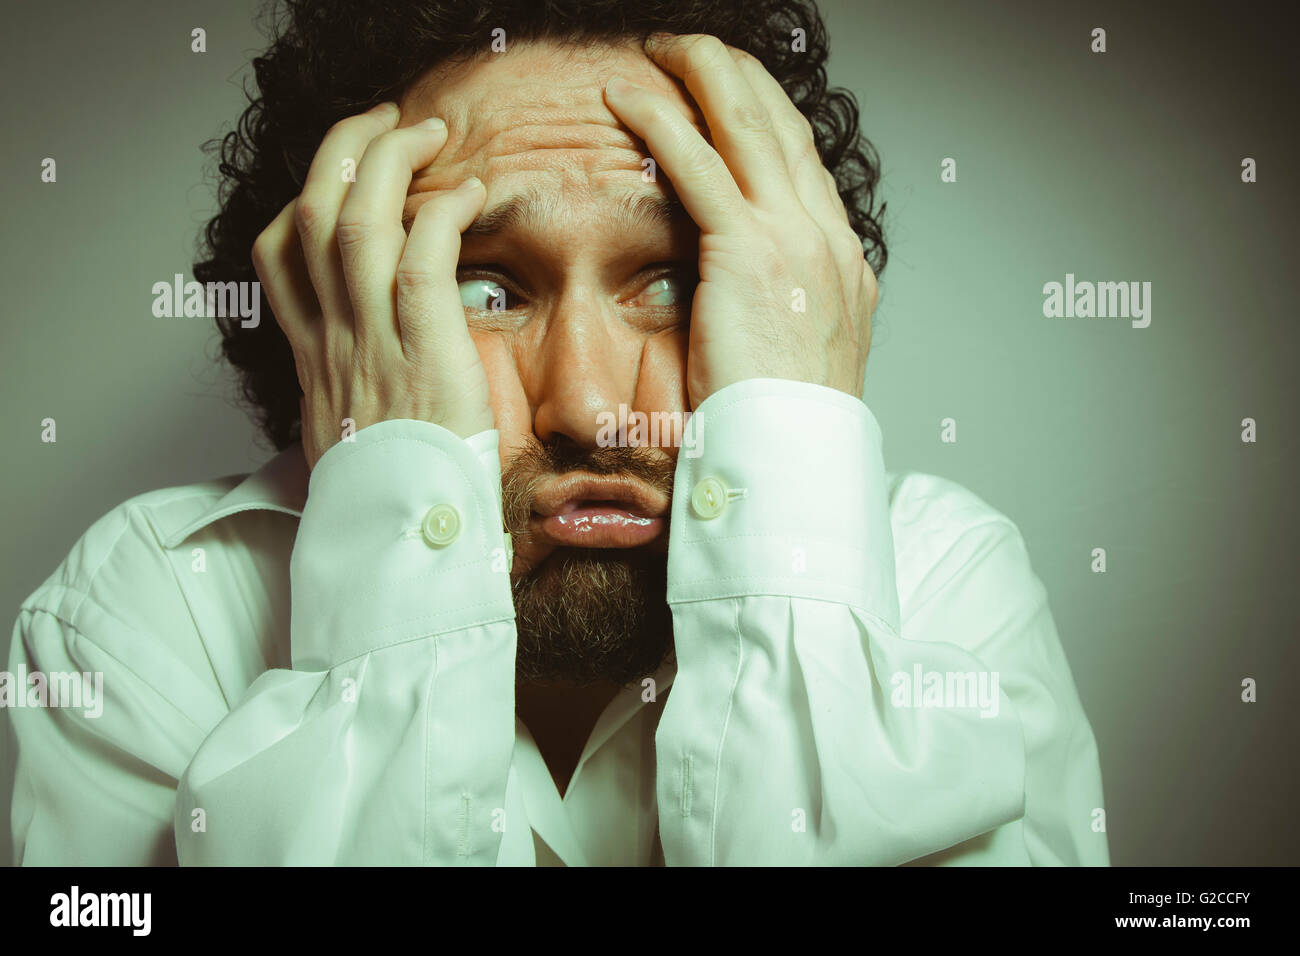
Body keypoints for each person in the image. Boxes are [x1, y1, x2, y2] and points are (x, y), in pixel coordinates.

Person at [8, 0, 1108, 865]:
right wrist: (396, 547)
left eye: (670, 279)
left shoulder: (944, 579)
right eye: (485, 290)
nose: (585, 404)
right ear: (338, 305)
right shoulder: (146, 612)